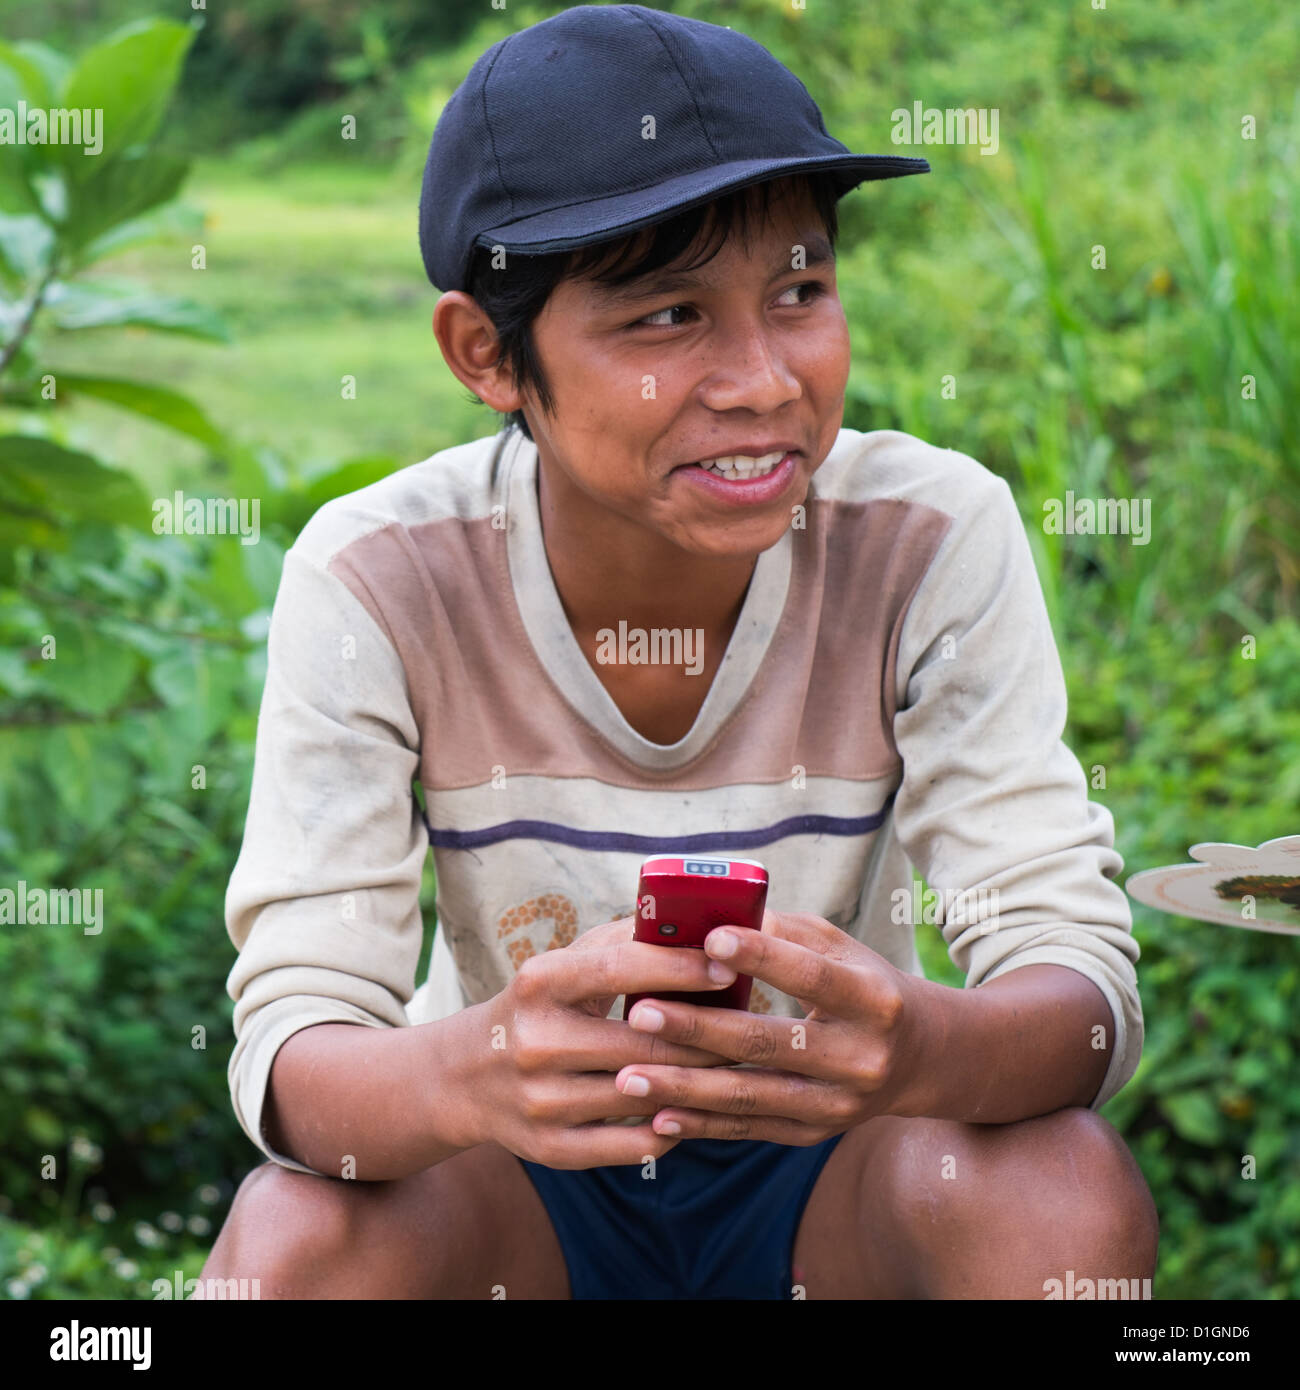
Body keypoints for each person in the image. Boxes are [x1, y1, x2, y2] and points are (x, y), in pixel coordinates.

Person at [203, 3, 1157, 1299]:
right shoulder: (381, 577)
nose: (764, 377)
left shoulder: (927, 539)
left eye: (800, 290)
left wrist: (922, 1046)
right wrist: (478, 1065)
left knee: (1055, 1186)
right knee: (301, 1238)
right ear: (487, 352)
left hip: (838, 1176)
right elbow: (297, 1051)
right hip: (519, 1182)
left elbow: (1076, 983)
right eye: (667, 316)